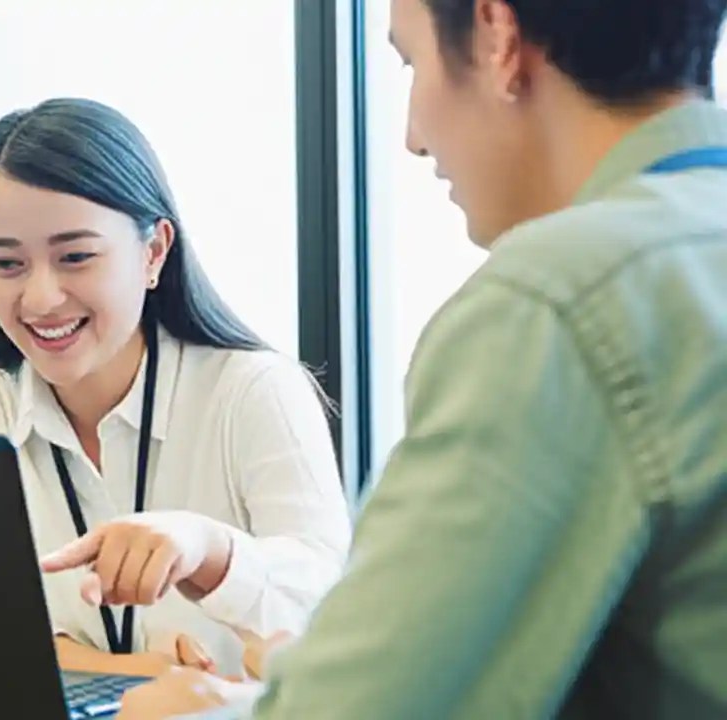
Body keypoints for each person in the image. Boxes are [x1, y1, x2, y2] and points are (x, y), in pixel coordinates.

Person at [108, 0, 727, 716]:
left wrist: (207, 713)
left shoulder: (558, 301)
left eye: (411, 62)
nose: (411, 136)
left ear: (497, 35)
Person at [0, 98, 352, 677]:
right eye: (7, 264)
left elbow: (336, 619)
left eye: (75, 256)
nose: (42, 298)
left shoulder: (252, 392)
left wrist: (209, 549)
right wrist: (140, 673)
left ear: (154, 252)